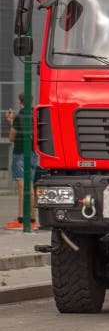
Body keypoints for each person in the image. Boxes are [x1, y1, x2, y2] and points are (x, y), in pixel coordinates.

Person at [5, 92, 37, 229]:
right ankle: (32, 219)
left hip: (20, 153)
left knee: (22, 187)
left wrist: (12, 122)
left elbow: (11, 137)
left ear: (20, 101)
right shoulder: (35, 115)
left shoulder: (20, 116)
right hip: (33, 154)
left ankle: (22, 219)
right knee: (30, 186)